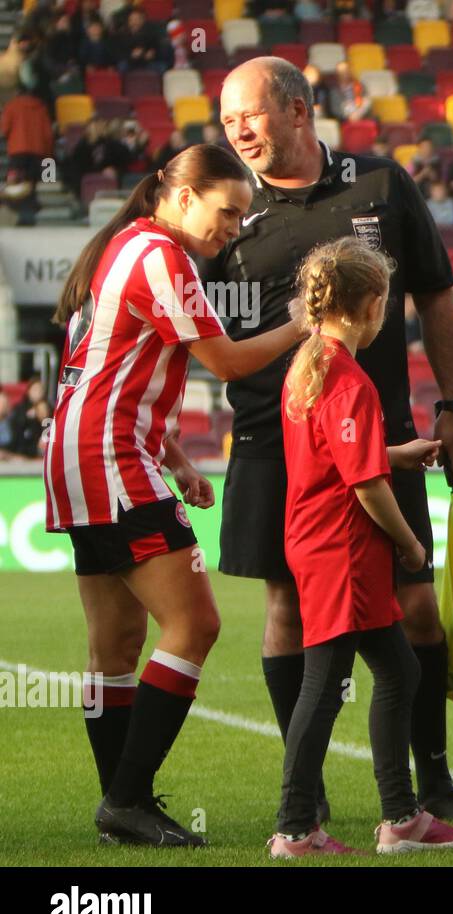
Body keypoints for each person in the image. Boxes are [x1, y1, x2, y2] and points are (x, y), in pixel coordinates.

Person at [206, 57, 453, 825]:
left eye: (250, 115)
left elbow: (437, 297)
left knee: (418, 610)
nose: (238, 132)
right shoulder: (231, 211)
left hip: (381, 429)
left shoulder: (382, 186)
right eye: (227, 122)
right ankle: (309, 797)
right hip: (271, 438)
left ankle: (431, 783)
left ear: (298, 110)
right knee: (289, 611)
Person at [44, 144, 305, 846]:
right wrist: (303, 324)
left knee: (116, 645)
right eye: (227, 211)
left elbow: (115, 368)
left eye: (243, 216)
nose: (234, 228)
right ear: (181, 195)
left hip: (79, 450)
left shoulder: (124, 246)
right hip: (109, 456)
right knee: (196, 626)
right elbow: (225, 361)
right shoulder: (162, 255)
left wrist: (178, 457)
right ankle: (127, 801)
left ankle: (118, 807)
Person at [271, 238, 453, 856]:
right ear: (372, 304)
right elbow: (363, 486)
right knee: (326, 681)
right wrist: (412, 544)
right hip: (344, 550)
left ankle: (401, 817)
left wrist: (396, 454)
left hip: (316, 541)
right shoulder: (349, 378)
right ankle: (296, 828)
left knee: (398, 669)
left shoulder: (309, 364)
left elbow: (337, 459)